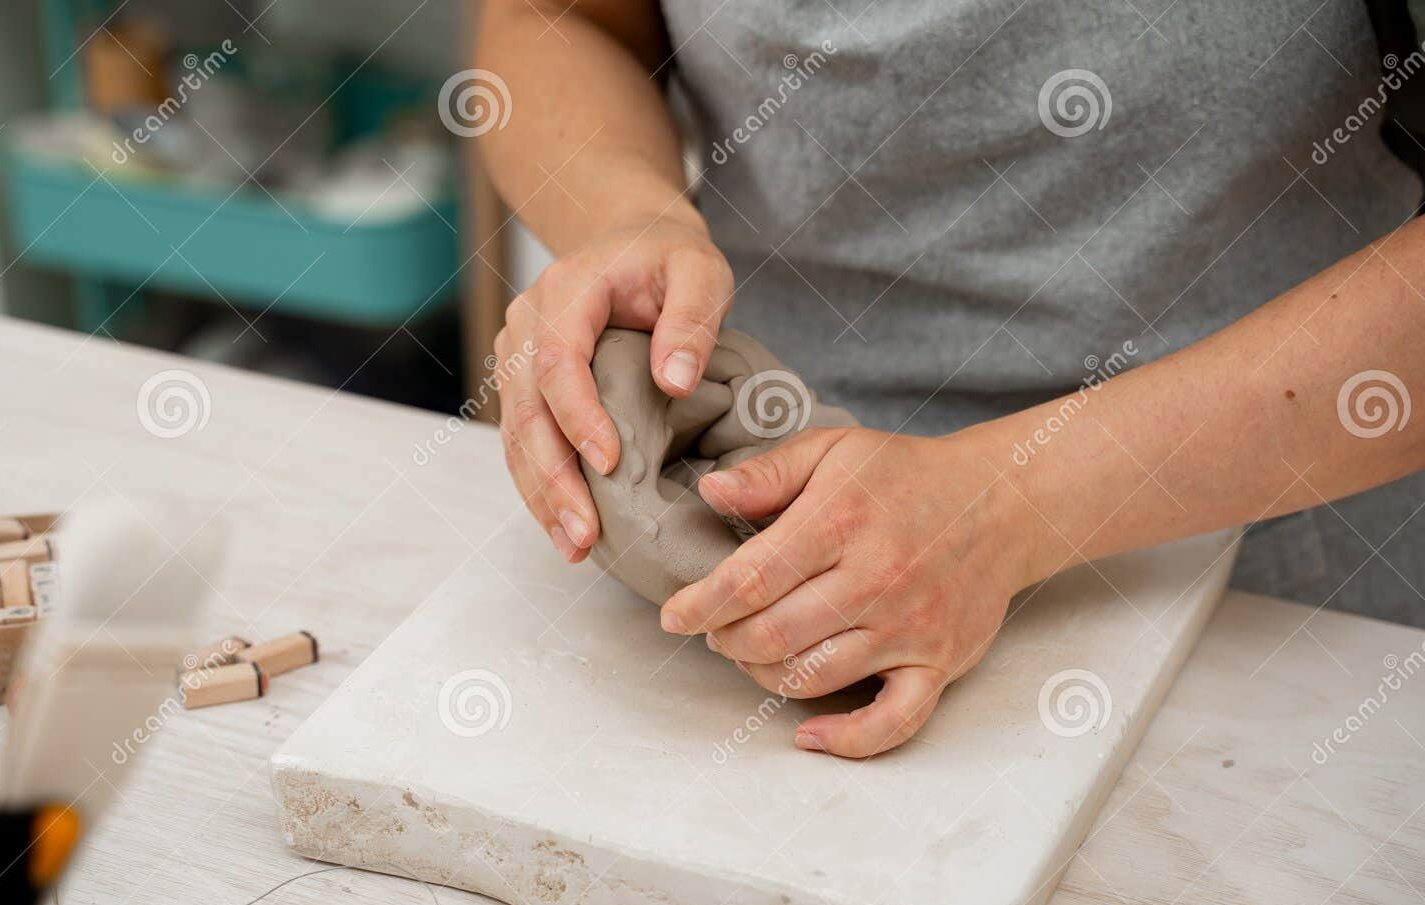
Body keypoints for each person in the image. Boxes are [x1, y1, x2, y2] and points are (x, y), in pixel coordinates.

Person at [474, 1, 1425, 757]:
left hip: (1272, 550)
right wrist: (629, 219)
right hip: (778, 458)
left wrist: (1006, 501)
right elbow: (557, 18)